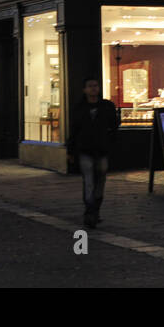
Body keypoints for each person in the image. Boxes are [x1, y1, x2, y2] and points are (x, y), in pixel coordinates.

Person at [66, 77, 119, 227]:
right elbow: (74, 130)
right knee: (89, 180)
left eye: (95, 86)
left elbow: (114, 126)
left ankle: (95, 209)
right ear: (84, 89)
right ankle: (91, 211)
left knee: (101, 178)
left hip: (102, 148)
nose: (94, 88)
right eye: (90, 86)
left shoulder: (107, 106)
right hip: (85, 149)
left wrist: (110, 141)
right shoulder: (79, 108)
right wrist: (71, 150)